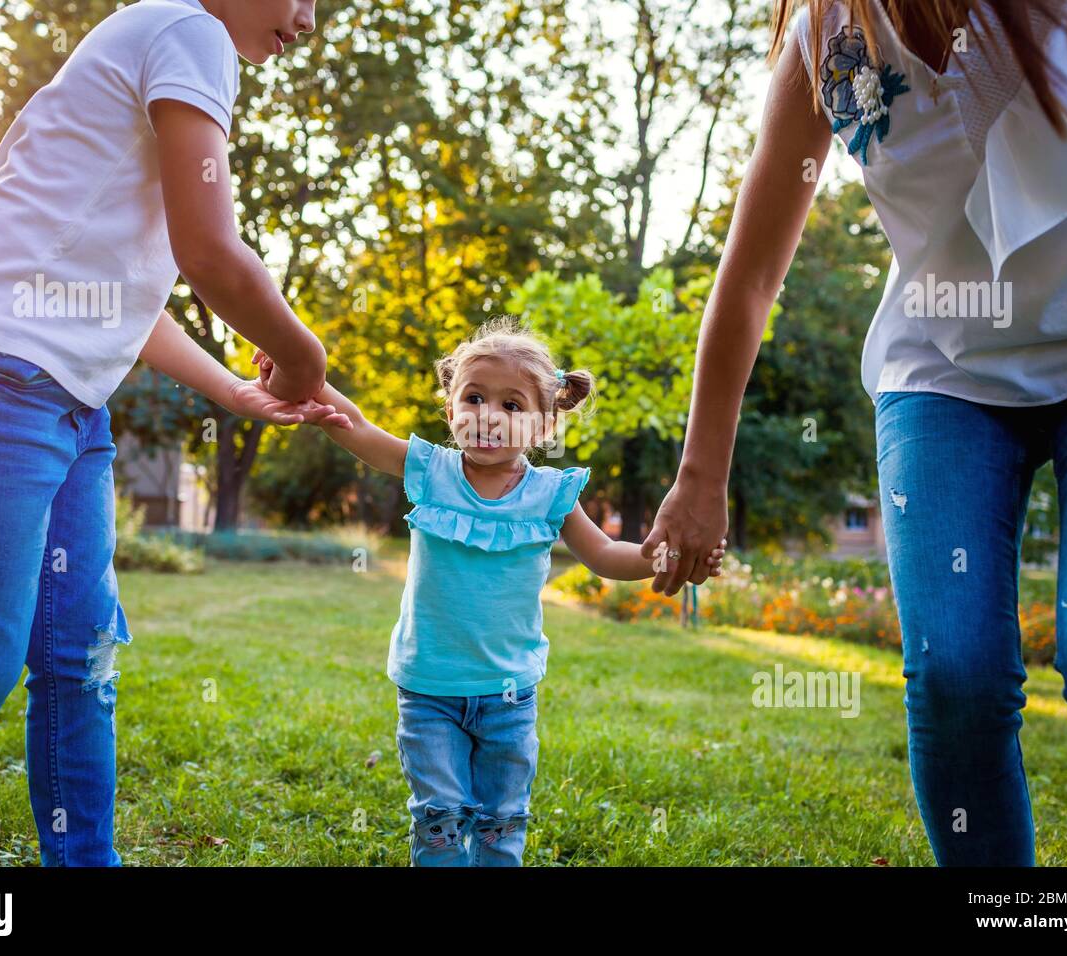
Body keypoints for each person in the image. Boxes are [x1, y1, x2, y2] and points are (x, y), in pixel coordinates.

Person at [642, 0, 1067, 864]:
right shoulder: (825, 39)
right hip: (947, 369)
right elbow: (751, 276)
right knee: (953, 672)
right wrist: (700, 476)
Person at [0, 0, 347, 866]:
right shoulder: (188, 33)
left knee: (79, 659)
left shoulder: (162, 53)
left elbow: (129, 298)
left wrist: (236, 386)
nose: (309, 20)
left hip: (61, 394)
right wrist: (301, 354)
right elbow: (210, 252)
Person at [260, 319, 726, 864]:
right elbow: (356, 426)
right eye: (474, 397)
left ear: (546, 425)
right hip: (429, 688)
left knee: (502, 819)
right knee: (437, 815)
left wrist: (656, 556)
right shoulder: (430, 471)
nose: (488, 416)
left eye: (512, 405)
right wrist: (304, 380)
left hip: (510, 694)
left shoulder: (551, 493)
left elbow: (604, 556)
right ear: (450, 407)